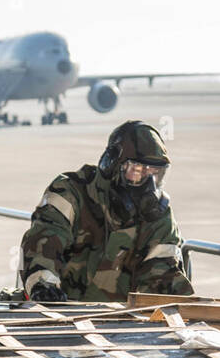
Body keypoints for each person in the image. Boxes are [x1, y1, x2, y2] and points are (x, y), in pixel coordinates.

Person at [19, 120, 194, 302]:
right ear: (111, 165)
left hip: (117, 321)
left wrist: (181, 307)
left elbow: (164, 275)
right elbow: (44, 242)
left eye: (155, 174)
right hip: (59, 310)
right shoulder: (71, 193)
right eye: (138, 170)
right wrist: (44, 286)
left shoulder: (159, 218)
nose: (148, 184)